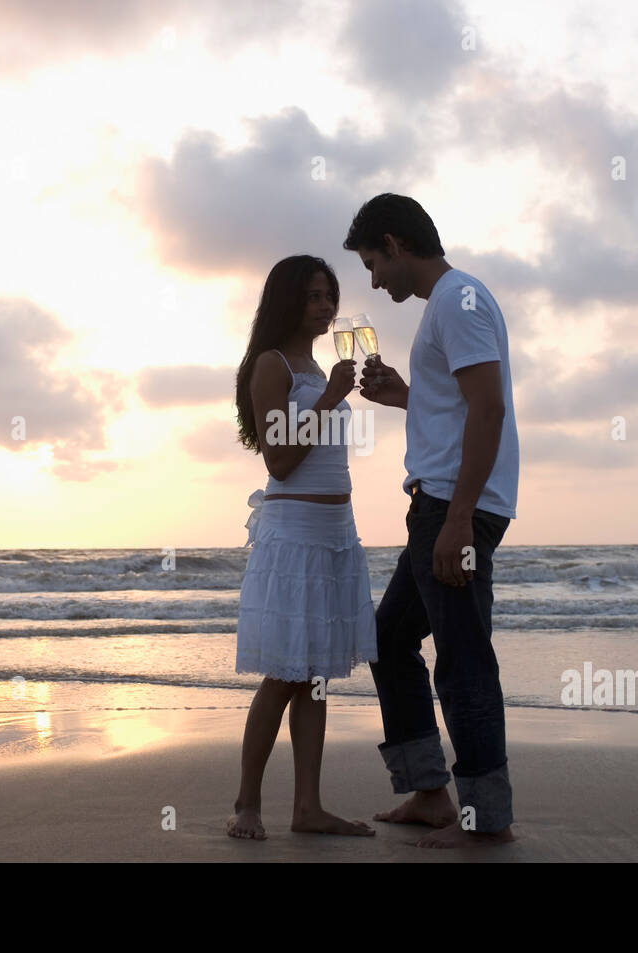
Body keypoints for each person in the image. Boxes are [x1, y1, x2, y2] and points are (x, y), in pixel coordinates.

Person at [344, 193, 520, 848]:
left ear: (395, 244)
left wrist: (459, 519)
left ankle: (485, 818)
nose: (373, 279)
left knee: (463, 658)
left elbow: (490, 409)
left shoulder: (458, 299)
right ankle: (430, 794)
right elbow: (457, 407)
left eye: (371, 263)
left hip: (453, 506)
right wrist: (402, 398)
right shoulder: (446, 307)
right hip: (443, 502)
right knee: (389, 636)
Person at [227, 254, 379, 840]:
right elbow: (281, 461)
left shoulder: (316, 364)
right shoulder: (272, 366)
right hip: (293, 538)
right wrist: (327, 399)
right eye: (315, 296)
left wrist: (353, 391)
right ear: (289, 300)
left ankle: (308, 808)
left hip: (335, 535)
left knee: (314, 675)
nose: (325, 307)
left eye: (329, 296)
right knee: (284, 675)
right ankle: (246, 802)